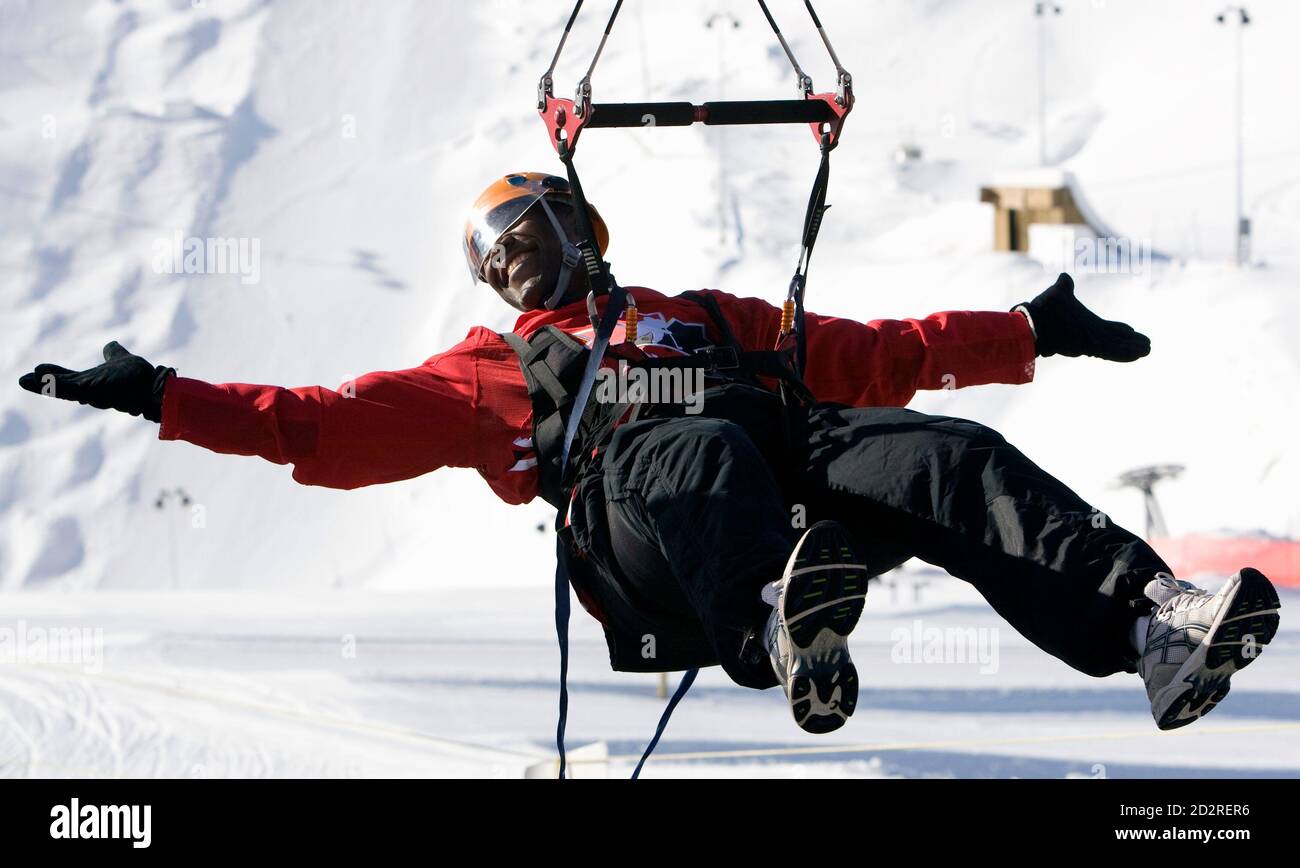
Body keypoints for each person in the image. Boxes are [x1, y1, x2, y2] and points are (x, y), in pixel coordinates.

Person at [18, 172, 1280, 736]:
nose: (511, 258)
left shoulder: (701, 313)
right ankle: (779, 621)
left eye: (523, 230)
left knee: (942, 450)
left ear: (577, 223)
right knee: (695, 454)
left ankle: (1151, 626)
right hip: (650, 531)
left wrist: (1023, 331)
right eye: (491, 254)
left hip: (779, 476)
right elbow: (328, 428)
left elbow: (865, 351)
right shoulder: (495, 370)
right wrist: (166, 398)